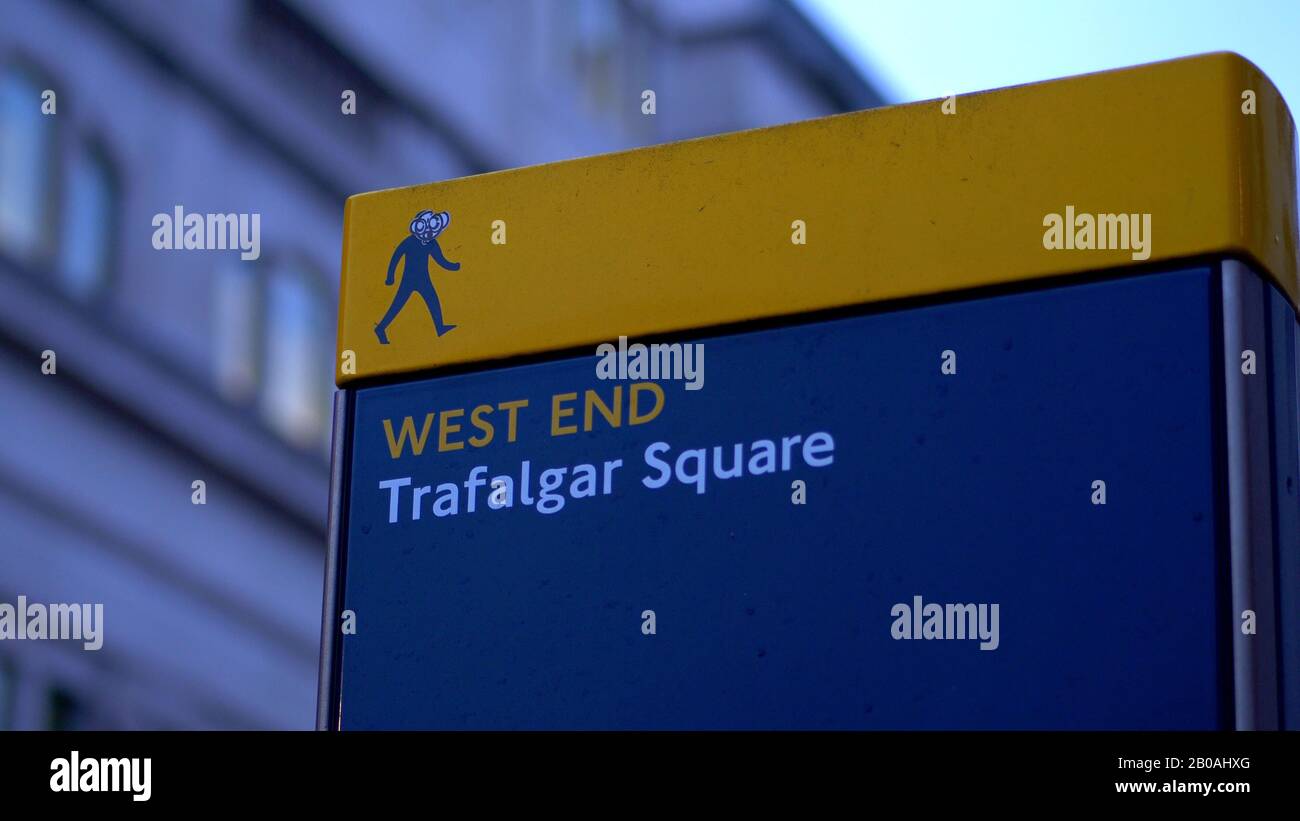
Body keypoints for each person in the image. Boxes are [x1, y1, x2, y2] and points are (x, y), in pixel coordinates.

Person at [375, 209, 461, 344]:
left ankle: (440, 327)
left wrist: (454, 266)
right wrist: (390, 276)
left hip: (423, 279)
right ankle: (380, 328)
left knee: (433, 300)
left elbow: (440, 260)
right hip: (408, 280)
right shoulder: (409, 242)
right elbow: (396, 257)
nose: (427, 229)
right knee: (397, 306)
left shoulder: (432, 244)